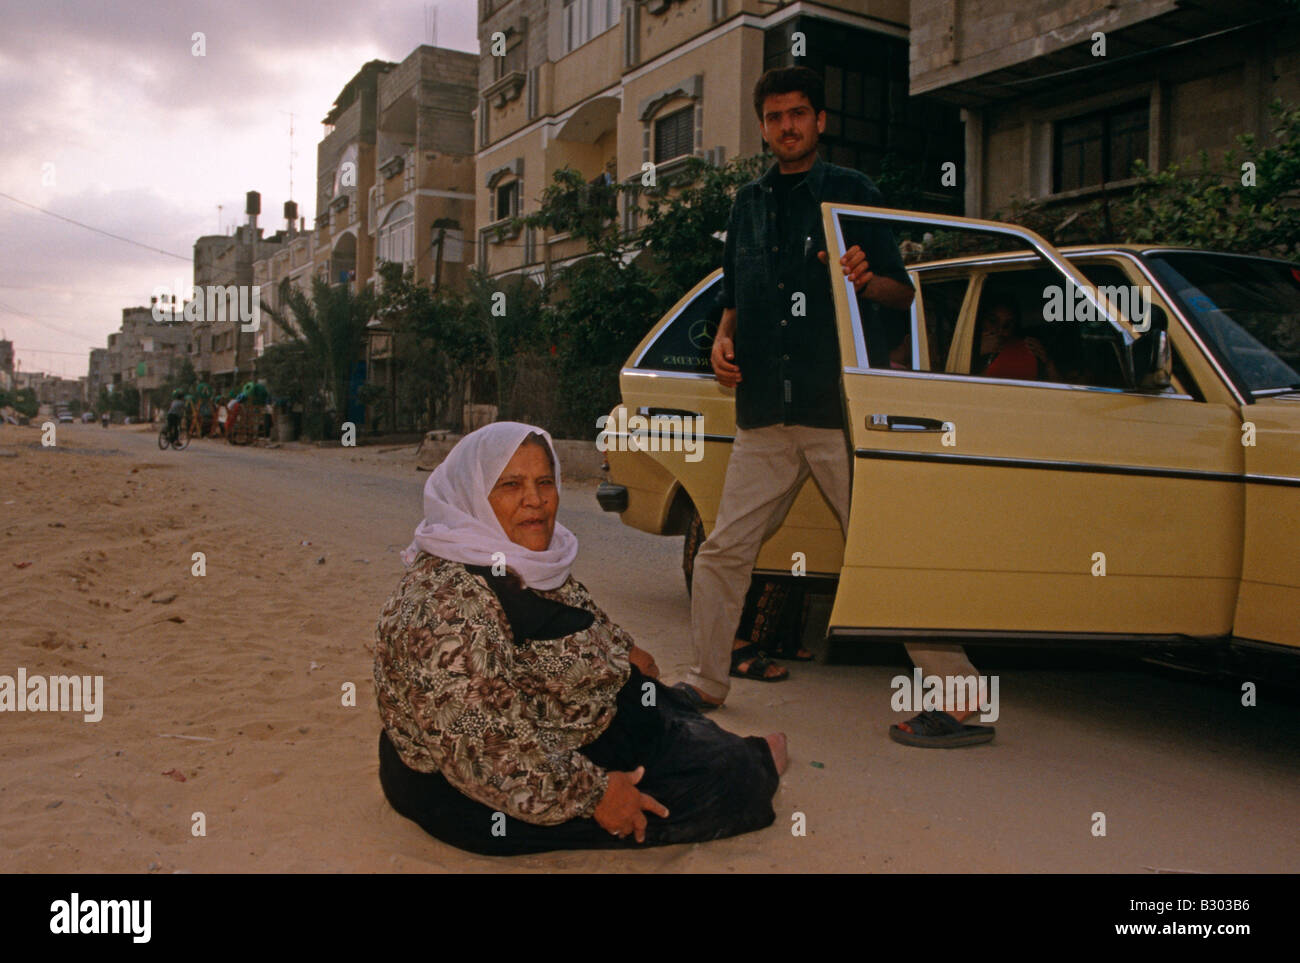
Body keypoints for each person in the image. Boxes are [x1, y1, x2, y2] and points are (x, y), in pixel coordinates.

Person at [679, 66, 994, 749]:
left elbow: (902, 295)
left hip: (840, 411)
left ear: (820, 120)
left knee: (888, 552)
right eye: (773, 117)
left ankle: (964, 700)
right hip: (765, 411)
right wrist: (722, 343)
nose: (786, 126)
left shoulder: (854, 195)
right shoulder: (746, 205)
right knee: (722, 549)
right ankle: (706, 678)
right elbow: (735, 292)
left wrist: (865, 279)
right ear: (762, 126)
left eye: (798, 114)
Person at [373, 422, 787, 854]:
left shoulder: (506, 553)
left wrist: (621, 650)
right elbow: (484, 753)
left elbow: (571, 608)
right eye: (511, 484)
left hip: (558, 718)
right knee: (729, 781)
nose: (535, 499)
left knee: (665, 708)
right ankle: (748, 762)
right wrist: (597, 795)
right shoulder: (448, 608)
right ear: (471, 494)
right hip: (489, 786)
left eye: (544, 482)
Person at [974, 301, 1059, 381]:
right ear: (980, 320)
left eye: (1007, 325)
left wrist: (1048, 363)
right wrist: (977, 350)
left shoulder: (1027, 351)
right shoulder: (965, 345)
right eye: (993, 321)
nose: (999, 329)